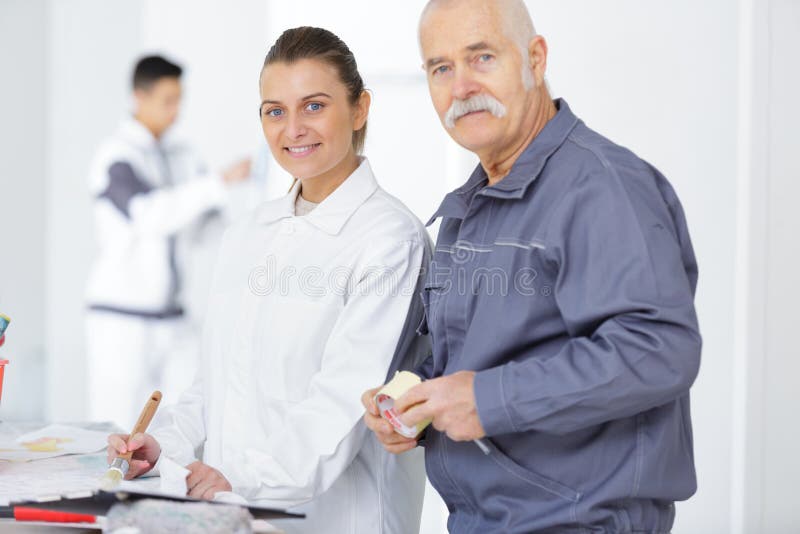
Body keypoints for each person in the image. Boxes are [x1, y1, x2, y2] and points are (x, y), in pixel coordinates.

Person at [363, 1, 702, 532]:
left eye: (481, 58)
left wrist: (486, 399)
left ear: (535, 59)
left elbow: (658, 349)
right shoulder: (470, 207)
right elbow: (488, 359)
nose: (461, 87)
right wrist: (416, 402)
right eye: (441, 68)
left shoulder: (601, 186)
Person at [107, 27, 430, 534]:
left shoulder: (390, 239)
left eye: (315, 106)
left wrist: (235, 478)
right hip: (237, 512)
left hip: (343, 519)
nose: (293, 128)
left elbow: (342, 404)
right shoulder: (249, 233)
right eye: (275, 111)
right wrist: (163, 445)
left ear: (360, 109)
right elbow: (211, 385)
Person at [86, 55, 251, 428]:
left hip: (173, 319)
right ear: (138, 98)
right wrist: (217, 183)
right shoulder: (116, 156)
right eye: (167, 101)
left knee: (178, 425)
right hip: (122, 320)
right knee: (116, 428)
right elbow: (149, 214)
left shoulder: (182, 155)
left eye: (179, 100)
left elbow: (202, 225)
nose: (176, 111)